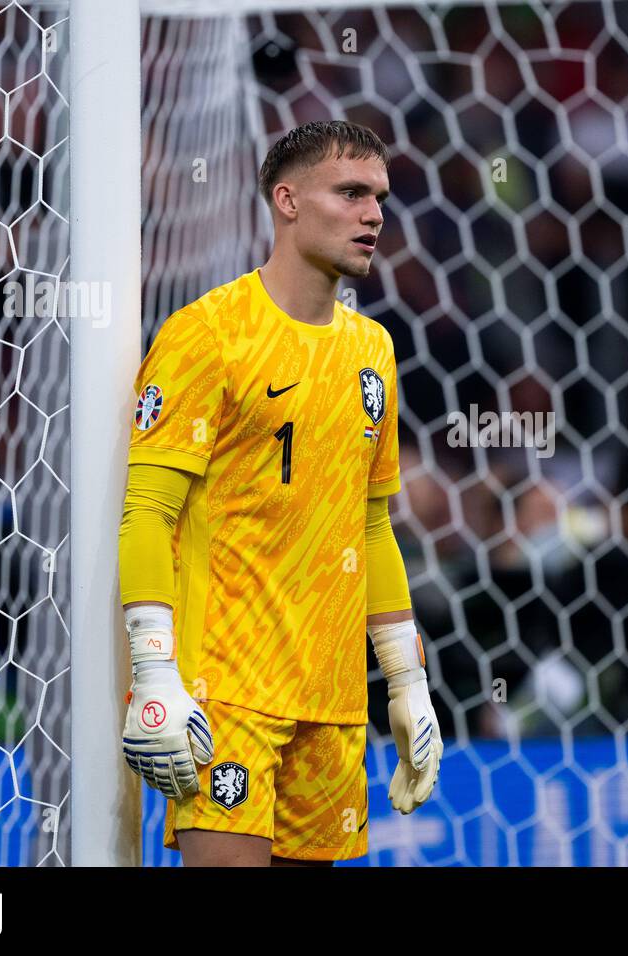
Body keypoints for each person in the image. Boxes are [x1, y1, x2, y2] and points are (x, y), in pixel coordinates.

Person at [115, 121, 442, 866]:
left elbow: (371, 526)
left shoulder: (372, 352)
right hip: (225, 690)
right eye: (351, 193)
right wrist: (154, 671)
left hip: (331, 700)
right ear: (287, 201)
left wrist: (405, 681)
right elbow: (147, 513)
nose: (373, 215)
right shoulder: (208, 334)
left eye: (380, 198)